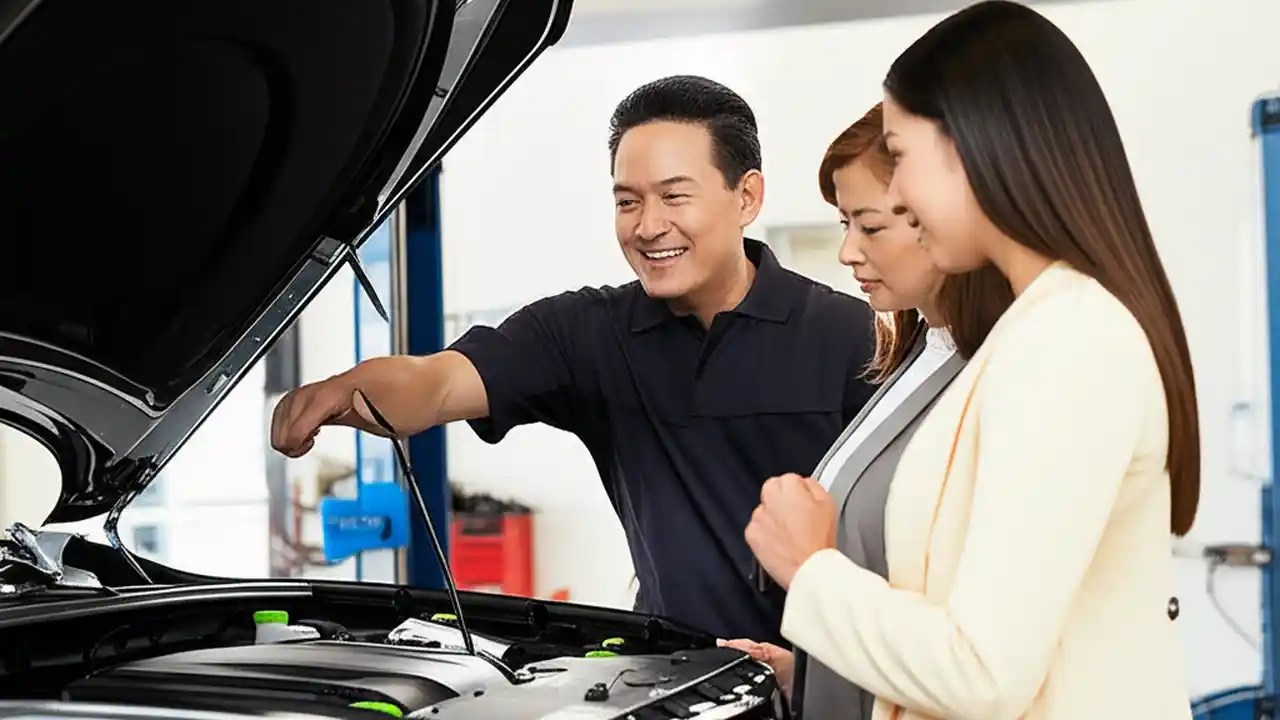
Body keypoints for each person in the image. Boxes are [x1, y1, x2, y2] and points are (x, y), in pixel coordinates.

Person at [270, 75, 878, 645]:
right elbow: (438, 381)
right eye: (627, 202)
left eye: (674, 197)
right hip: (670, 685)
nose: (649, 226)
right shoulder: (587, 334)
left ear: (746, 196)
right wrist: (347, 390)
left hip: (820, 686)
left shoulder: (852, 338)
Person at [745, 3, 1200, 719]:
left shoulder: (1069, 337)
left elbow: (983, 673)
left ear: (974, 145)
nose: (895, 196)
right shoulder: (1031, 333)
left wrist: (812, 571)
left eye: (902, 155)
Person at [720, 104, 1011, 718]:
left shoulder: (999, 379)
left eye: (870, 226)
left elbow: (981, 663)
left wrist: (810, 570)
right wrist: (809, 676)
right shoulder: (916, 352)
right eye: (844, 222)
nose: (848, 251)